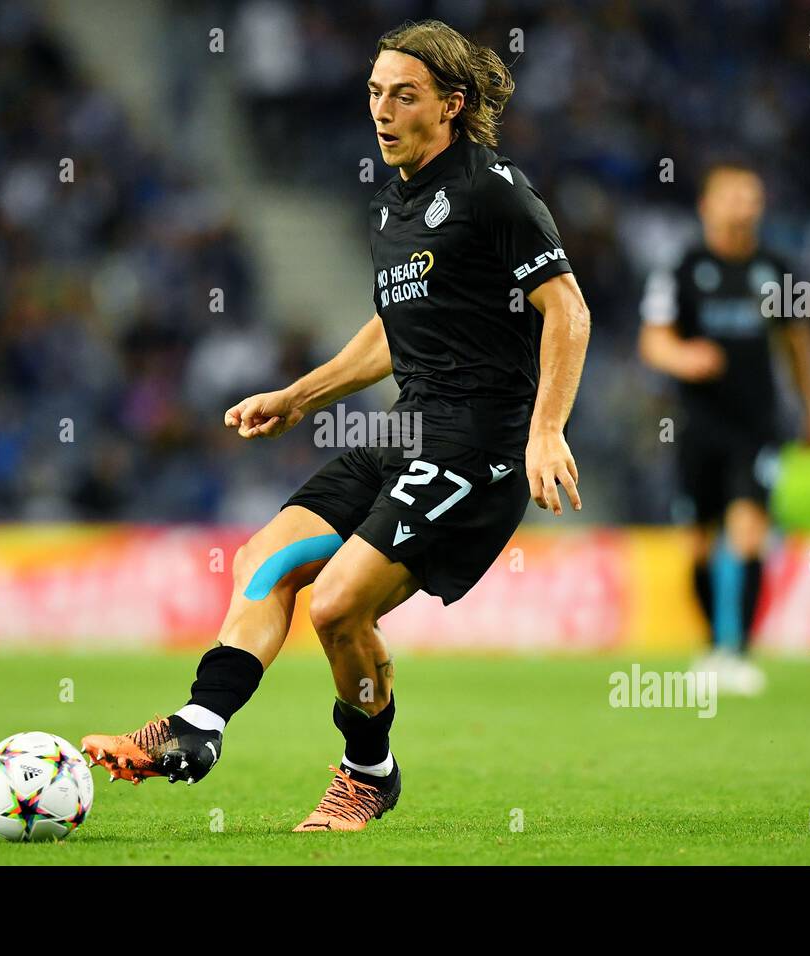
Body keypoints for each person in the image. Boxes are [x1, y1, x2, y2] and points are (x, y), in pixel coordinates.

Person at [82, 18, 591, 830]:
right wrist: (299, 396)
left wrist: (546, 429)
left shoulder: (493, 191)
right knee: (264, 559)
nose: (382, 111)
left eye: (404, 95)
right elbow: (397, 328)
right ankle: (195, 729)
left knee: (336, 606)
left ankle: (367, 773)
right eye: (374, 93)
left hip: (478, 447)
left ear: (452, 105)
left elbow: (566, 308)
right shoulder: (397, 201)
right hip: (406, 431)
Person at [638, 163, 810, 694]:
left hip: (757, 424)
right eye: (733, 196)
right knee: (698, 542)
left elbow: (796, 344)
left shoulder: (775, 268)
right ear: (707, 205)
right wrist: (684, 356)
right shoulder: (682, 267)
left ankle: (739, 651)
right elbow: (653, 340)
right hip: (697, 426)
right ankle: (710, 646)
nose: (744, 205)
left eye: (752, 196)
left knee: (748, 531)